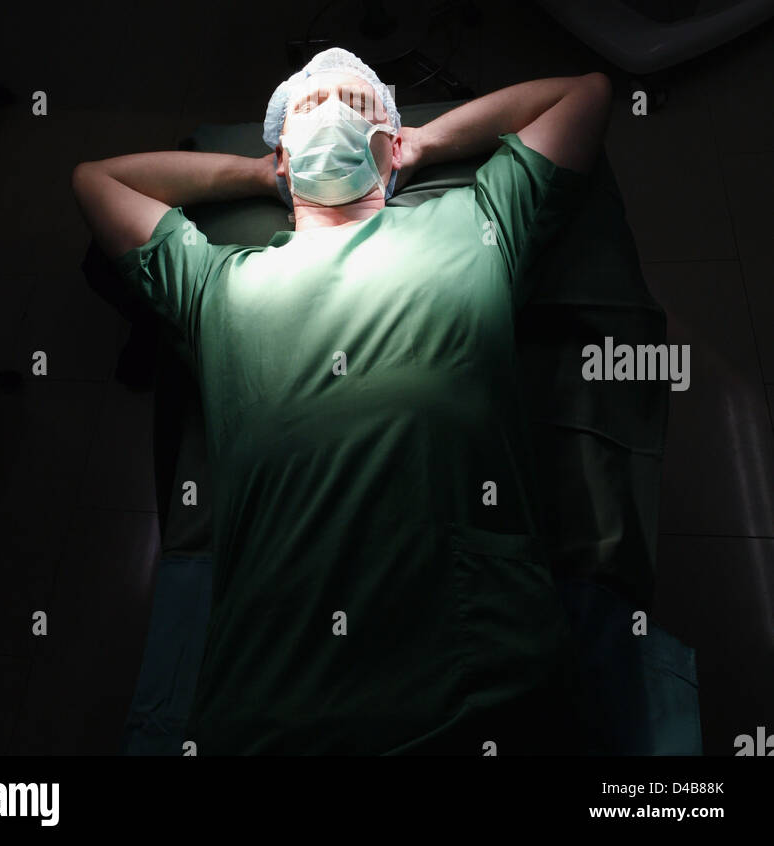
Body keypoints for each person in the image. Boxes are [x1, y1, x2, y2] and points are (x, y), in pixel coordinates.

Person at [72, 47, 613, 756]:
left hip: (481, 696)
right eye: (306, 110)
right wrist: (259, 174)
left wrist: (425, 142)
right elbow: (96, 180)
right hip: (268, 715)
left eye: (356, 106)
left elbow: (586, 93)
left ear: (391, 145)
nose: (331, 114)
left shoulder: (478, 225)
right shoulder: (215, 283)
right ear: (283, 155)